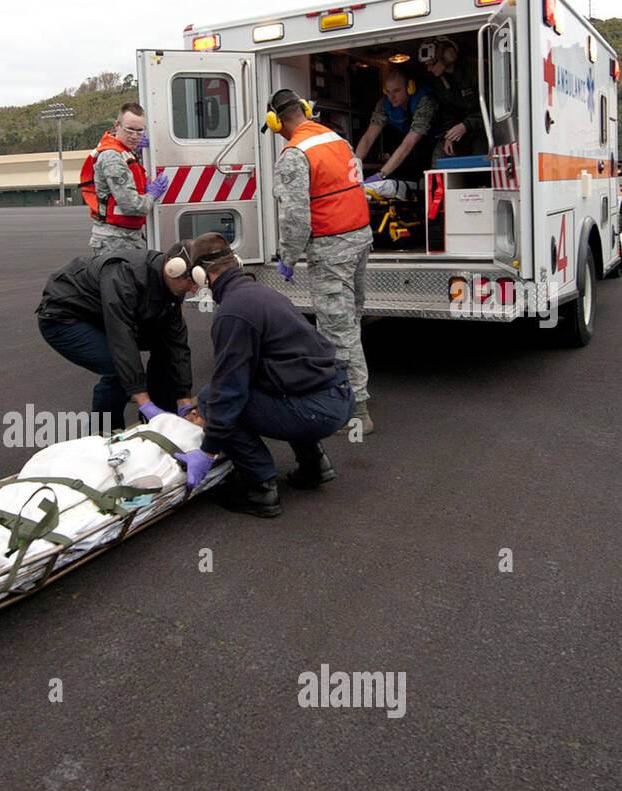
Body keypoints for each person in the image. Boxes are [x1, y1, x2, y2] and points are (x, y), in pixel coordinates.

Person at [171, 233, 356, 517]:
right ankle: (314, 465)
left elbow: (229, 390)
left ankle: (261, 488)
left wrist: (207, 451)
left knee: (211, 398)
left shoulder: (233, 312)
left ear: (201, 275)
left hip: (316, 411)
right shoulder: (264, 294)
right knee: (264, 381)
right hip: (339, 397)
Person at [266, 88, 375, 434]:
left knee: (337, 328)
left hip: (332, 251)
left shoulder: (294, 153)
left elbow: (296, 218)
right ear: (306, 109)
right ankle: (352, 391)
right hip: (360, 239)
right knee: (352, 319)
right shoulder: (336, 139)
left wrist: (288, 255)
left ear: (277, 120)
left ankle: (356, 411)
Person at [36, 242, 200, 431]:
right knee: (118, 372)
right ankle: (103, 436)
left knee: (166, 352)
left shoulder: (173, 286)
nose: (194, 290)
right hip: (65, 318)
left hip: (102, 315)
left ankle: (161, 426)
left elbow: (177, 345)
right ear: (172, 269)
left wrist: (184, 401)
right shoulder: (124, 274)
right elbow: (121, 337)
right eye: (191, 282)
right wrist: (144, 402)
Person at [80, 103, 171, 252]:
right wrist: (151, 195)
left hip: (127, 237)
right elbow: (133, 206)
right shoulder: (112, 158)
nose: (135, 136)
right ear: (117, 125)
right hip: (114, 242)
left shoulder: (125, 152)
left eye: (139, 131)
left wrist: (136, 153)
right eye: (129, 130)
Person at [354, 70, 437, 188]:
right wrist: (355, 167)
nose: (391, 97)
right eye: (387, 92)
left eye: (396, 91)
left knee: (431, 176)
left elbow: (408, 144)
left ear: (410, 88)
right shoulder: (384, 104)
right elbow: (369, 137)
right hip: (405, 141)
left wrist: (380, 175)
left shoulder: (425, 101)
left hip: (432, 140)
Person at [420, 36, 487, 162]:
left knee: (480, 158)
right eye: (426, 65)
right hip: (464, 131)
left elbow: (490, 108)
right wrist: (449, 136)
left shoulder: (475, 70)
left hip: (485, 130)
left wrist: (465, 125)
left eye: (432, 63)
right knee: (441, 155)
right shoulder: (440, 82)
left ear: (448, 56)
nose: (429, 69)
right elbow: (448, 112)